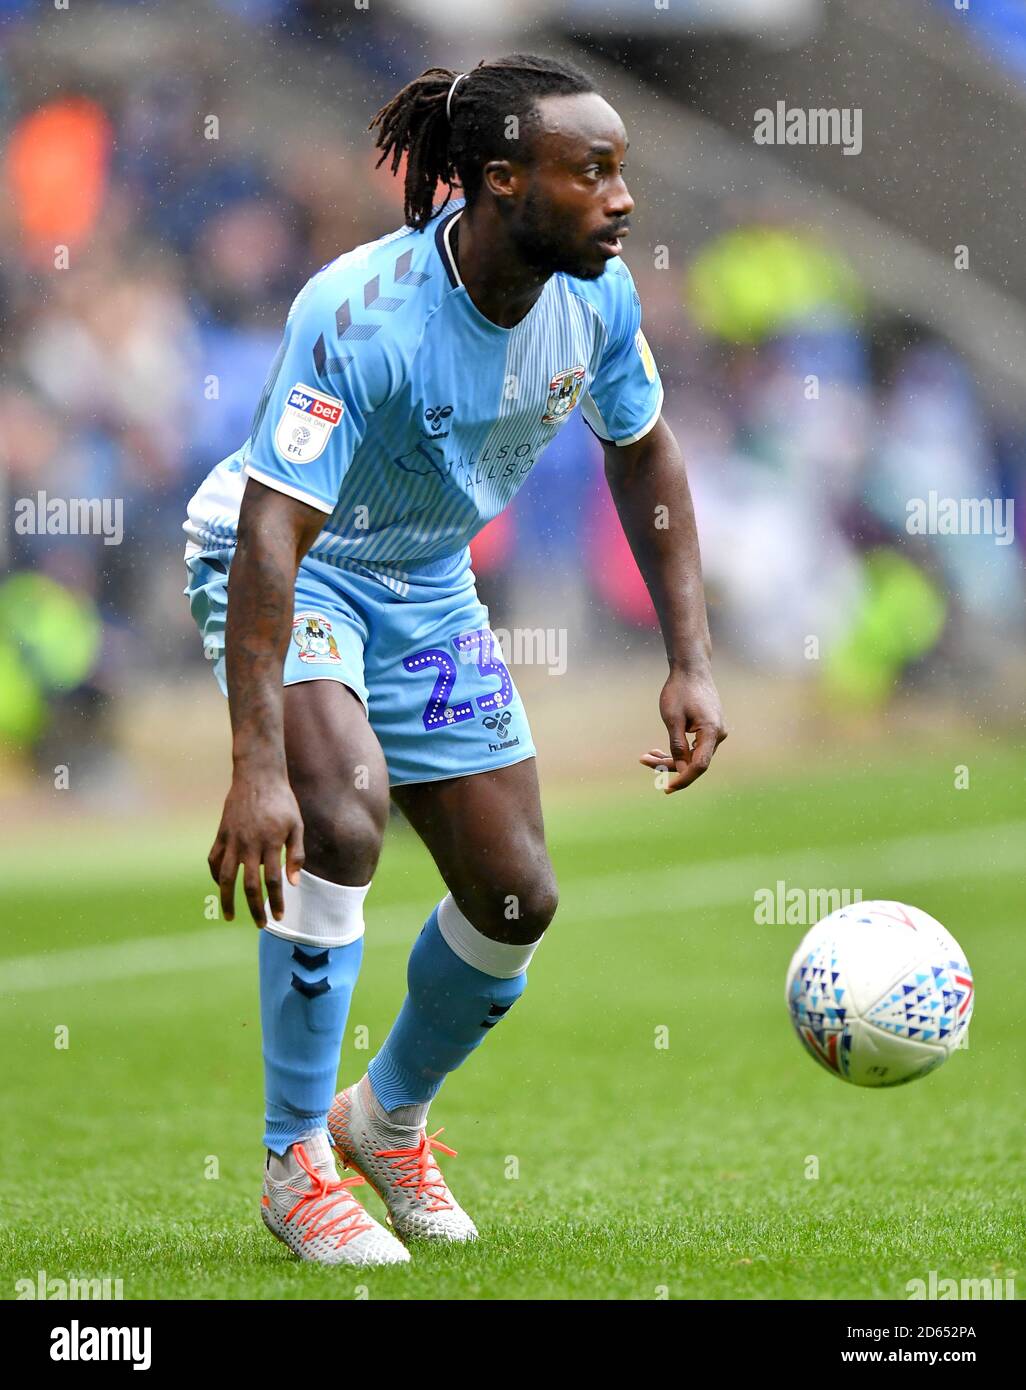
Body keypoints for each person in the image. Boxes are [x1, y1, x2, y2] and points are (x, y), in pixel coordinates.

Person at [183, 53, 726, 1267]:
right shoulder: (357, 309)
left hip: (424, 583)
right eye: (592, 173)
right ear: (498, 181)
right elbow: (275, 524)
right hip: (297, 558)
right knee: (344, 814)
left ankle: (383, 1119)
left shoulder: (600, 299)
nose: (622, 200)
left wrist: (689, 657)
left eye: (622, 170)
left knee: (516, 897)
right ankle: (292, 1163)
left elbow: (645, 455)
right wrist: (255, 761)